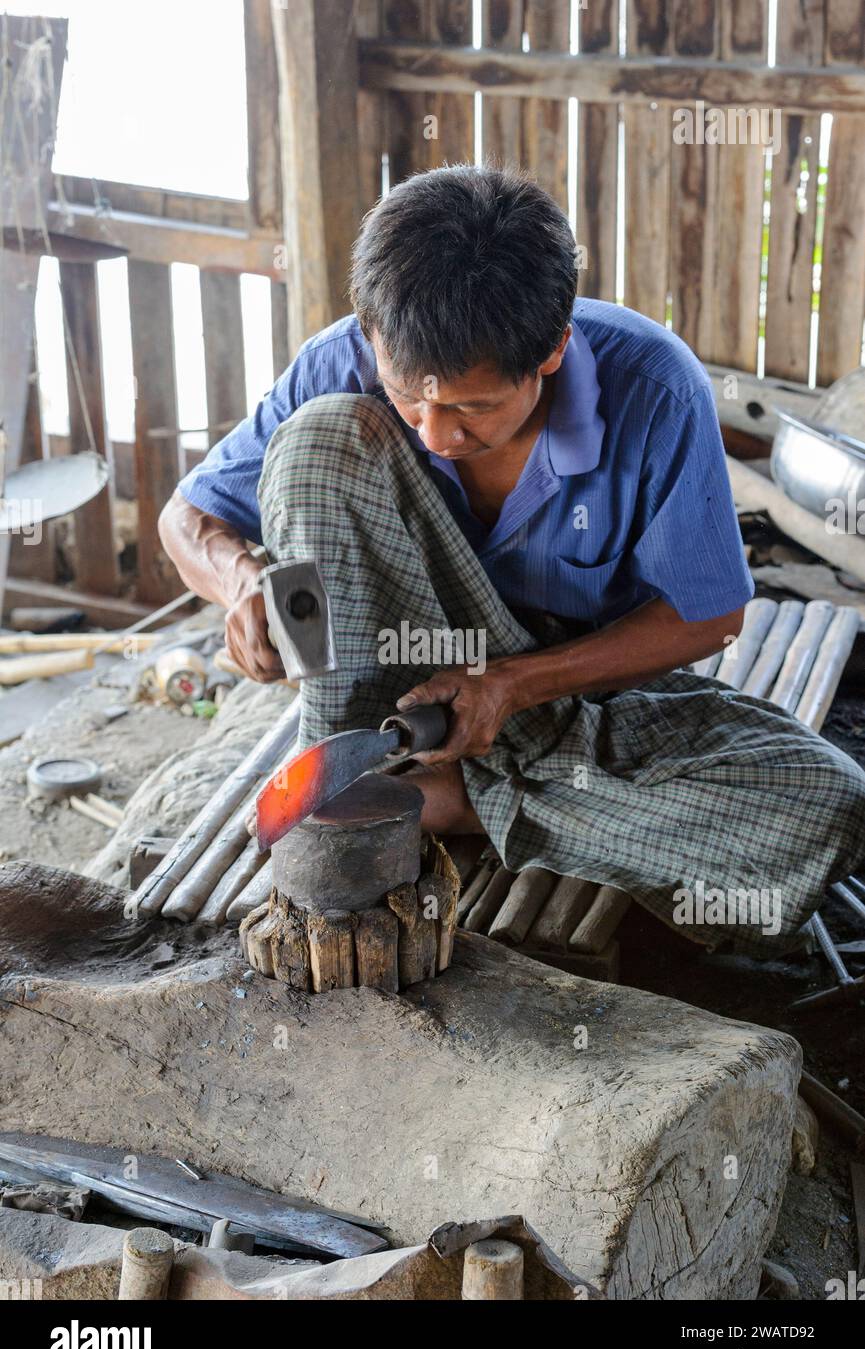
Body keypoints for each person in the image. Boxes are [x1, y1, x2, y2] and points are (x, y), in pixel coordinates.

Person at [159, 163, 865, 956]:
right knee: (322, 439)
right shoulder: (342, 358)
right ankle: (348, 776)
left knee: (825, 803)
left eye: (472, 407)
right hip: (389, 699)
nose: (433, 435)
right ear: (372, 338)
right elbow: (188, 517)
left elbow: (707, 614)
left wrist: (510, 684)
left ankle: (453, 800)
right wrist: (240, 580)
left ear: (554, 350)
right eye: (408, 395)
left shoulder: (654, 388)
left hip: (570, 700)